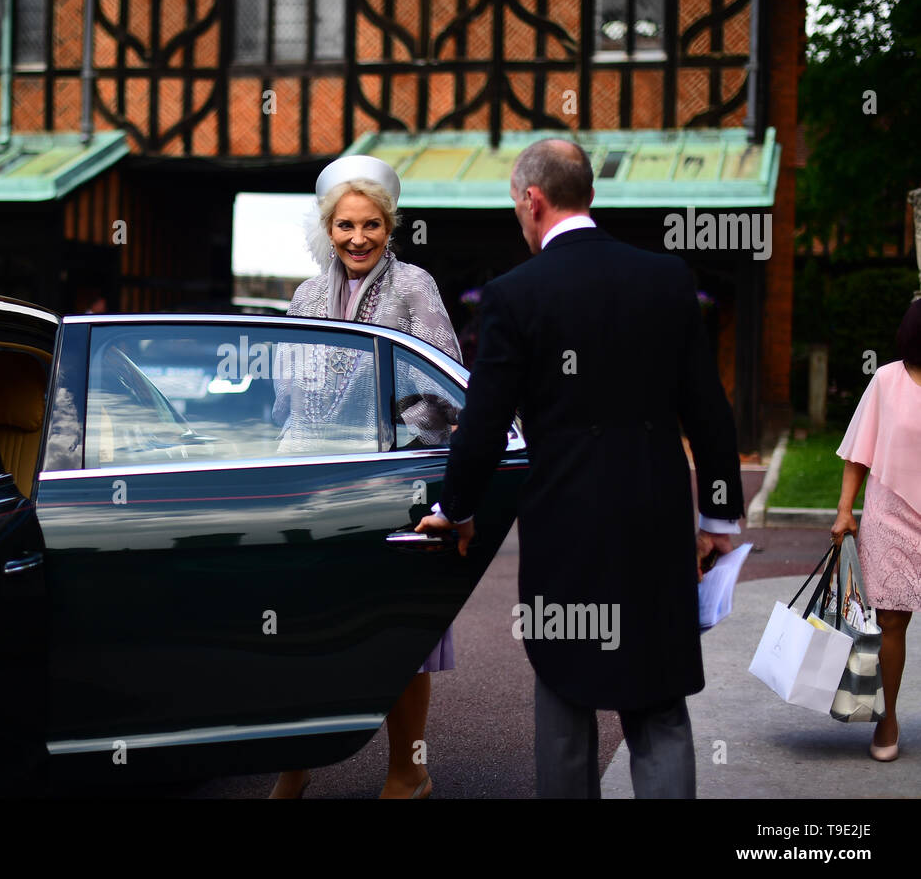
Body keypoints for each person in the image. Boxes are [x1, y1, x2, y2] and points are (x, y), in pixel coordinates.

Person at [415, 138, 744, 798]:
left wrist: (455, 509)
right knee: (658, 706)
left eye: (516, 203)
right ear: (587, 192)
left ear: (533, 200)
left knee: (565, 696)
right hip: (654, 516)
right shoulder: (667, 280)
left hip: (566, 526)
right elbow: (708, 410)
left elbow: (482, 424)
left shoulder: (513, 295)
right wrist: (718, 517)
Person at [267, 154, 459, 800]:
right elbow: (283, 394)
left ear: (390, 226)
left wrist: (393, 426)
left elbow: (445, 384)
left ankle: (409, 770)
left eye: (371, 225)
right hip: (311, 485)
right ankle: (294, 765)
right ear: (328, 227)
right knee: (302, 631)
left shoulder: (415, 288)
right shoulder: (306, 295)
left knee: (399, 636)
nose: (357, 238)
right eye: (345, 225)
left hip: (390, 483)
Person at [831, 298, 921, 762]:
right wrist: (845, 511)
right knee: (891, 621)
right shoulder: (886, 379)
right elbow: (858, 453)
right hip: (890, 513)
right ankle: (886, 721)